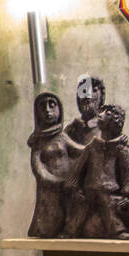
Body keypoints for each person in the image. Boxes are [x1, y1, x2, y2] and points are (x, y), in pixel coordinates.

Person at [71, 104, 129, 239]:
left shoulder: (120, 149)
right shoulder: (92, 146)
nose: (100, 115)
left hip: (108, 190)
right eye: (101, 112)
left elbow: (128, 171)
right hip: (90, 188)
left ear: (114, 121)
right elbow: (79, 167)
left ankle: (118, 231)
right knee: (81, 208)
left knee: (109, 207)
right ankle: (70, 231)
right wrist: (74, 185)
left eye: (106, 114)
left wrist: (127, 194)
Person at [27, 92, 85, 237]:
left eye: (52, 105)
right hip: (50, 191)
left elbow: (81, 151)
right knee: (51, 222)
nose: (47, 110)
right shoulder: (38, 141)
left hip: (67, 188)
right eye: (42, 106)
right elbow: (38, 170)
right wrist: (59, 182)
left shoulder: (62, 136)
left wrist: (104, 143)